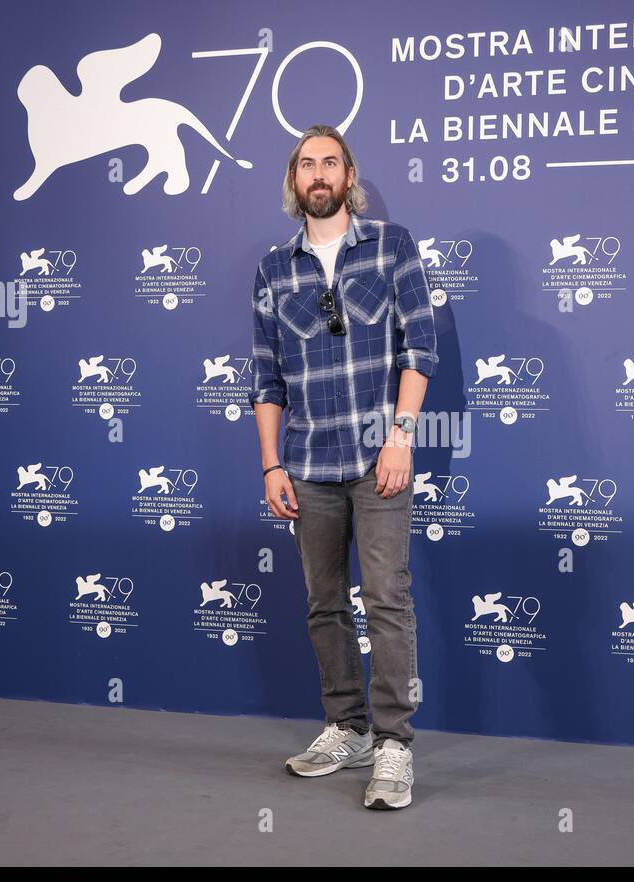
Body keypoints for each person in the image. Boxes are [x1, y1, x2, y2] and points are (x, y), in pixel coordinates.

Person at [247, 124, 438, 810]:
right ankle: (345, 727)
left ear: (349, 175)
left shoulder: (391, 245)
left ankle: (393, 743)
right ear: (294, 182)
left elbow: (420, 348)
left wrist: (401, 436)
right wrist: (272, 465)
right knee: (324, 604)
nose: (319, 174)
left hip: (378, 458)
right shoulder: (274, 269)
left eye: (330, 162)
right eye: (307, 165)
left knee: (387, 599)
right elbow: (266, 379)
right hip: (306, 461)